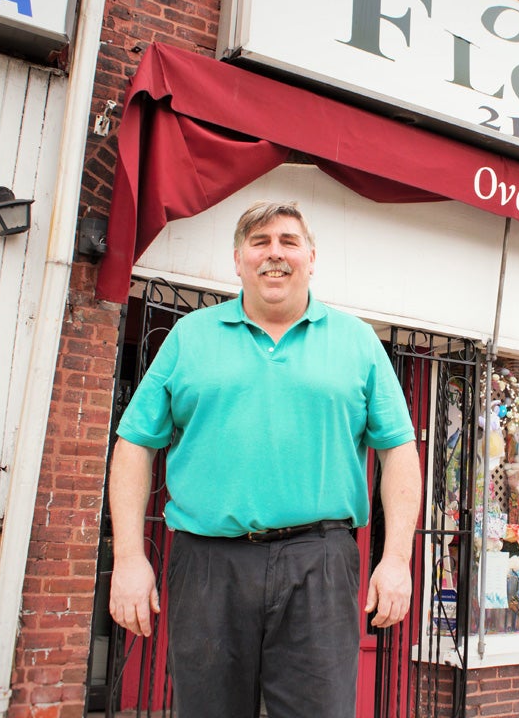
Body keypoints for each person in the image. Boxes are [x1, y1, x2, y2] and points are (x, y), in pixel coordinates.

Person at [108, 200, 421, 718]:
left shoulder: (358, 342)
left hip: (320, 563)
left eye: (288, 242)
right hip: (207, 564)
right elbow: (135, 444)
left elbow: (399, 451)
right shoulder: (190, 337)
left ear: (311, 258)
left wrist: (396, 560)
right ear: (238, 260)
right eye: (259, 242)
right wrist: (127, 558)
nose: (274, 253)